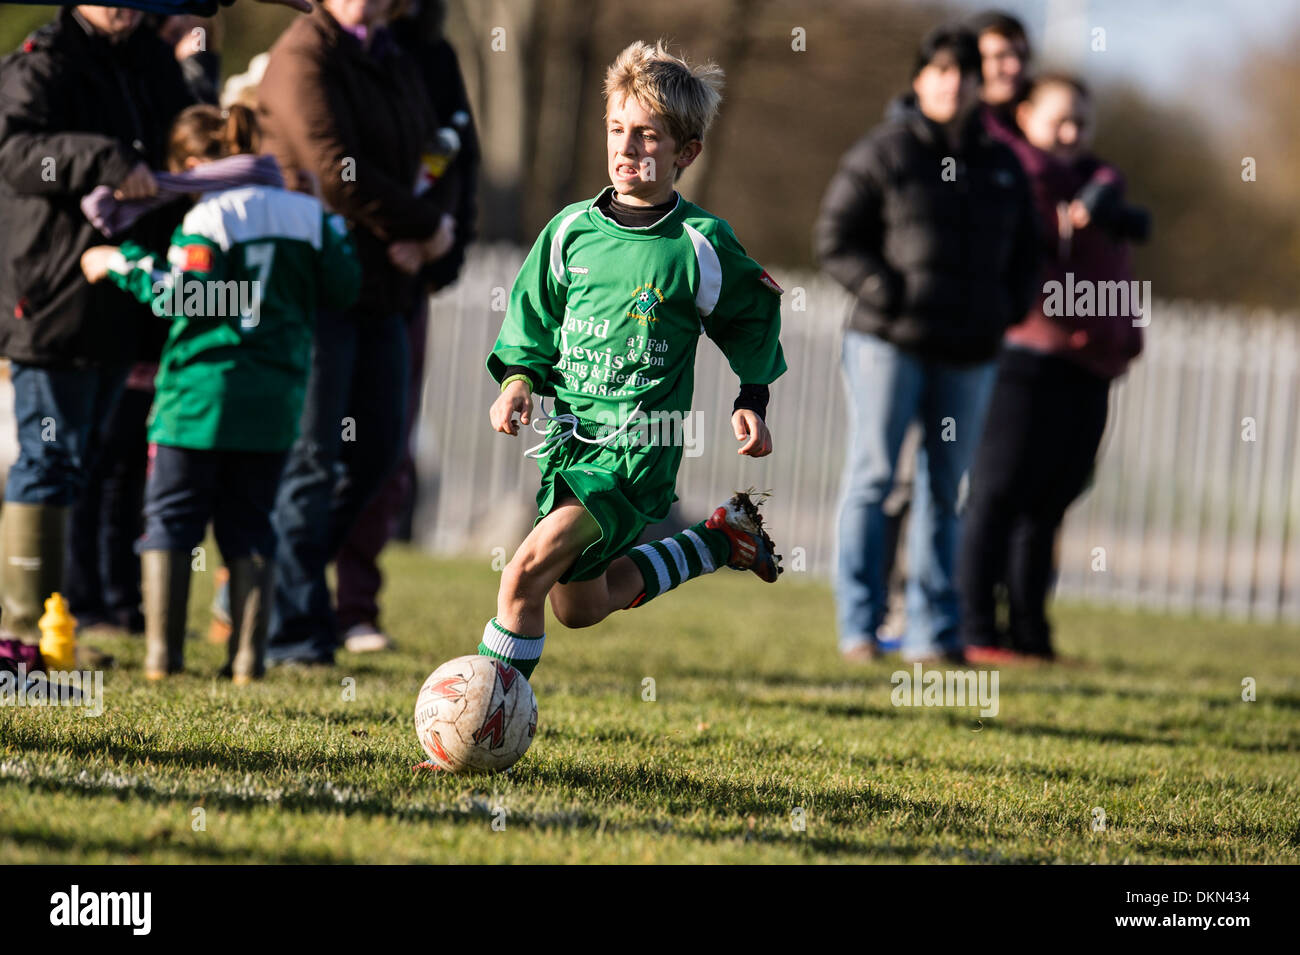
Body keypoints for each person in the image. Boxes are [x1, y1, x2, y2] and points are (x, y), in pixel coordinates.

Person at [473, 40, 785, 683]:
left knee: (522, 576)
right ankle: (719, 538)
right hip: (571, 447)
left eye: (647, 135)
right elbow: (531, 318)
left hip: (637, 451)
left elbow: (753, 314)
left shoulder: (698, 244)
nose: (626, 147)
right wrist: (517, 382)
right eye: (617, 129)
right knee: (578, 606)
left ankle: (485, 723)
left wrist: (751, 396)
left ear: (686, 152)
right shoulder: (568, 231)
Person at [80, 104, 360, 681]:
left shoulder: (210, 216)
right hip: (276, 399)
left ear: (193, 164)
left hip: (198, 396)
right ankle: (247, 660)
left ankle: (163, 656)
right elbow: (345, 286)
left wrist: (120, 260)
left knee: (172, 520)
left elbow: (182, 296)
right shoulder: (312, 216)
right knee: (253, 522)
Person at [814, 23, 1039, 664]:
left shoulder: (1002, 165)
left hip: (969, 353)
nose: (952, 82)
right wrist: (882, 287)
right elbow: (834, 236)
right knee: (876, 477)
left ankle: (933, 634)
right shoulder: (884, 150)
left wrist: (1004, 309)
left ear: (978, 83)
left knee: (949, 489)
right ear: (919, 79)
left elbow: (1030, 255)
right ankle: (859, 628)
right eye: (939, 70)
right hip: (888, 342)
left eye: (963, 72)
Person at [256, 0, 459, 666]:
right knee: (313, 460)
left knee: (376, 454)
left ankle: (293, 590)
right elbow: (333, 171)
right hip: (316, 287)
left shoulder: (391, 54)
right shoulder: (301, 57)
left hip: (383, 291)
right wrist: (421, 227)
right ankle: (290, 631)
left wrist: (431, 227)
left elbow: (436, 153)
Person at [0, 5, 193, 647]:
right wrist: (105, 159)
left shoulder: (154, 60)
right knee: (48, 460)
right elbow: (16, 153)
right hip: (52, 293)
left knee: (83, 464)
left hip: (124, 300)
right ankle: (26, 635)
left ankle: (61, 627)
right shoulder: (43, 59)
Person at [960, 74, 1148, 662]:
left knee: (1049, 503)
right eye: (1058, 120)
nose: (1071, 133)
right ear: (1025, 119)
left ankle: (1030, 633)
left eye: (1081, 123)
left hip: (1090, 365)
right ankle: (975, 630)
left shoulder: (1097, 182)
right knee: (996, 495)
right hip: (1027, 356)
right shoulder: (1017, 172)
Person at [331, 0, 481, 654]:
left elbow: (458, 165)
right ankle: (257, 587)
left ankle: (354, 604)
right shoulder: (324, 49)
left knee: (386, 451)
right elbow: (325, 162)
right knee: (303, 449)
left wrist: (433, 247)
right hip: (328, 277)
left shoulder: (430, 59)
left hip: (403, 283)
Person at [969, 10, 1032, 144]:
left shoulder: (1041, 124)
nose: (1015, 67)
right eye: (1000, 56)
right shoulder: (951, 133)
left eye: (1022, 56)